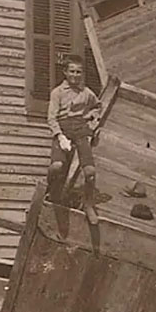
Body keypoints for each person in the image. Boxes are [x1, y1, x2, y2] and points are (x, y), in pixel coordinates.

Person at [45, 57, 101, 204]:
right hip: (63, 129)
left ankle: (89, 203)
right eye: (72, 71)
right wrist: (60, 136)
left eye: (78, 72)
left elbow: (97, 106)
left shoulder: (87, 93)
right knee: (57, 166)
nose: (75, 75)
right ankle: (49, 189)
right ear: (65, 72)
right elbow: (51, 118)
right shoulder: (57, 92)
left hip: (81, 129)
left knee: (90, 172)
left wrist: (92, 118)